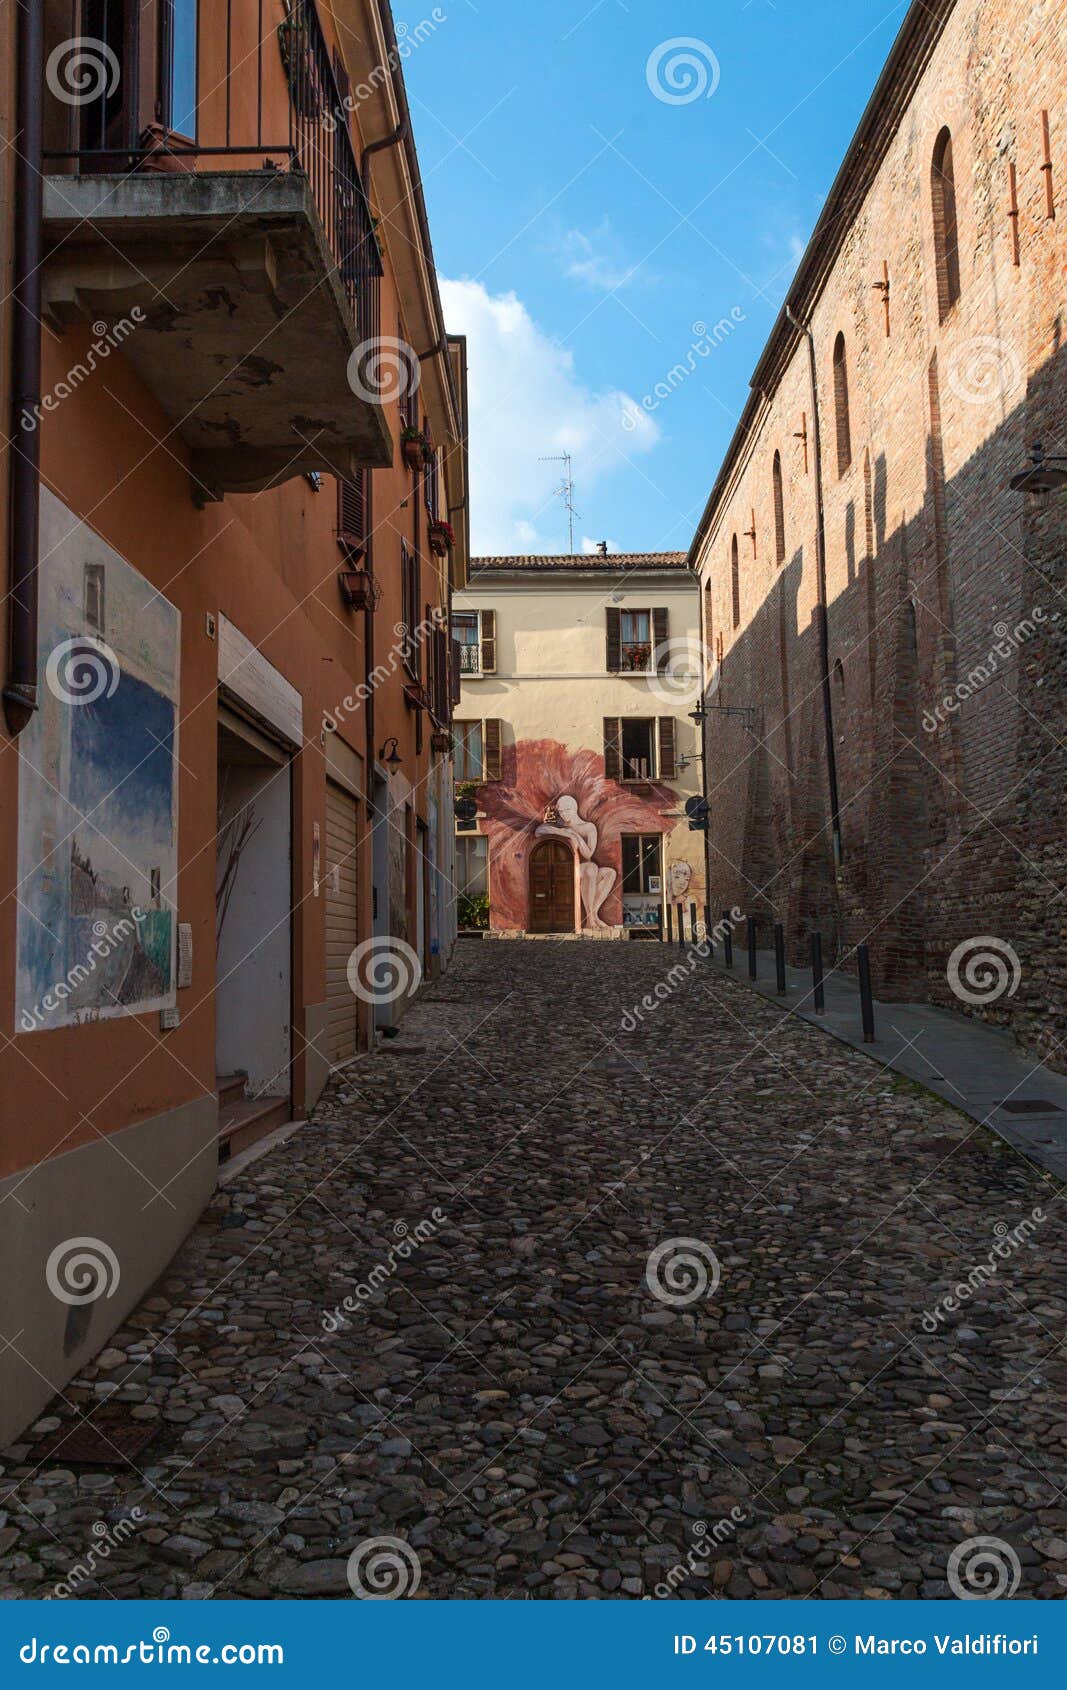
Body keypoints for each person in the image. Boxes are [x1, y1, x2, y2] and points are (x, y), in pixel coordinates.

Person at [535, 795, 616, 929]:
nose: (563, 814)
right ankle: (590, 921)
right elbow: (539, 830)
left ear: (574, 808)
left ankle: (593, 915)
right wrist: (565, 833)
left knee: (609, 873)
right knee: (591, 868)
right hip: (568, 870)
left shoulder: (588, 827)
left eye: (566, 810)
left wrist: (576, 836)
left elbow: (588, 854)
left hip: (585, 869)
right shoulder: (561, 825)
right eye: (561, 811)